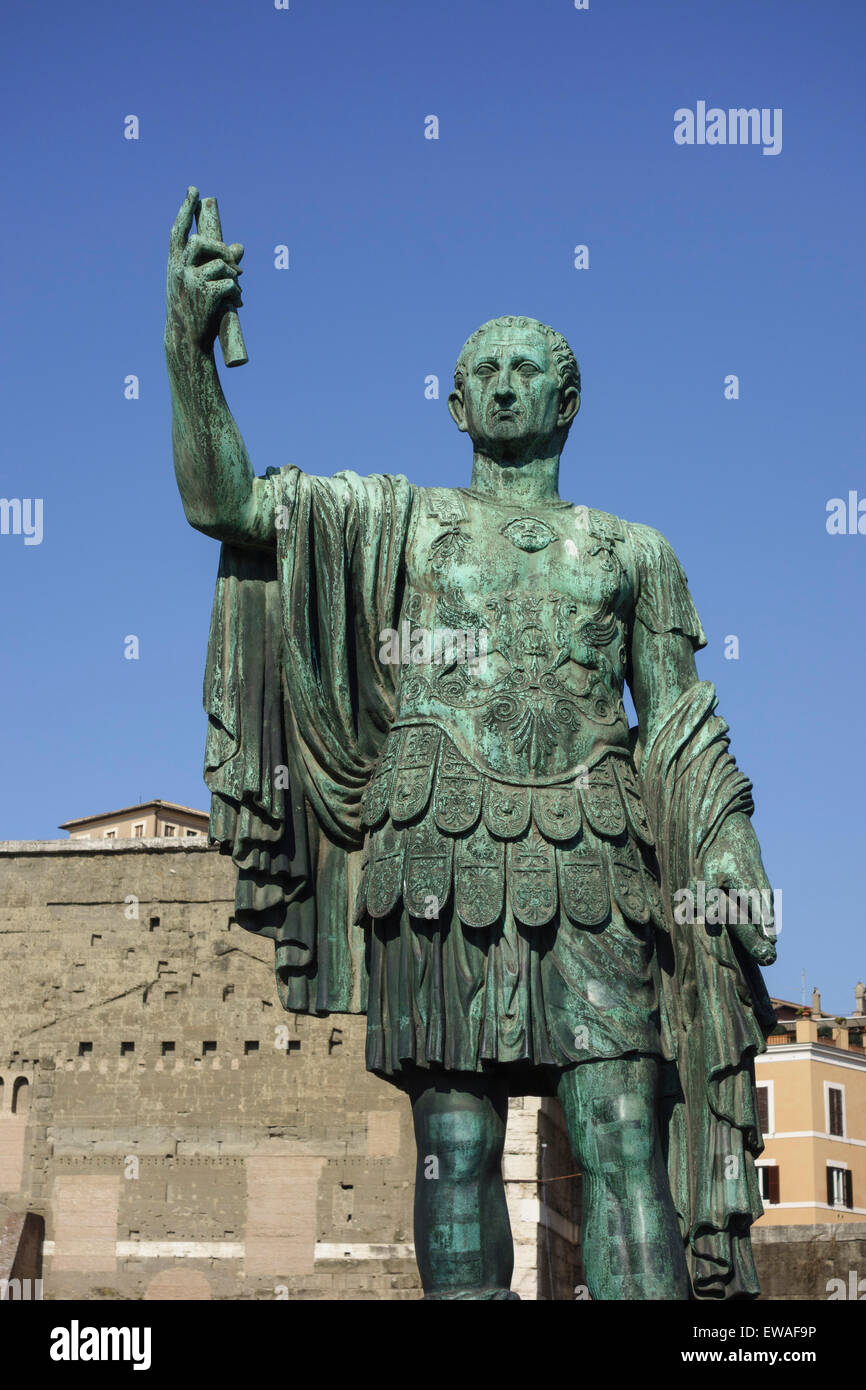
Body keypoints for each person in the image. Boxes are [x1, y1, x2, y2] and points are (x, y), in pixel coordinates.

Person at [166, 187, 777, 1301]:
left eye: (525, 367)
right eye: (479, 370)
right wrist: (187, 347)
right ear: (452, 406)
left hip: (597, 859)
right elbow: (231, 507)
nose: (501, 382)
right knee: (453, 1149)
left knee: (623, 1133)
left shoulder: (635, 550)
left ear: (568, 398)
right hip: (435, 856)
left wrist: (726, 848)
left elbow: (681, 729)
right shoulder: (393, 520)